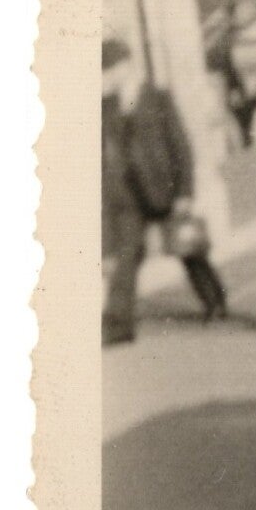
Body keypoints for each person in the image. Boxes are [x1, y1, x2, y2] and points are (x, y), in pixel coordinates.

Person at [101, 38, 228, 345]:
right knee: (128, 254)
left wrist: (185, 191)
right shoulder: (106, 106)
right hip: (129, 194)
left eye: (112, 68)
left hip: (164, 188)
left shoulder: (157, 98)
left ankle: (215, 300)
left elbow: (180, 146)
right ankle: (119, 326)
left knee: (189, 250)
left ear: (127, 65)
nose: (109, 75)